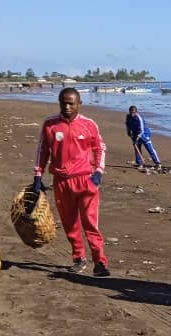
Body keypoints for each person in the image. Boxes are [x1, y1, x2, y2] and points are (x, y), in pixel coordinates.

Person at [33, 88, 110, 277]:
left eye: (71, 103)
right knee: (69, 223)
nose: (67, 107)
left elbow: (99, 148)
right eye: (63, 103)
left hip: (85, 181)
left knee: (90, 223)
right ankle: (78, 257)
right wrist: (37, 176)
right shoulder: (50, 125)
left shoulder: (89, 124)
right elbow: (43, 151)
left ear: (79, 104)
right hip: (61, 182)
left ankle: (99, 261)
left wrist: (98, 173)